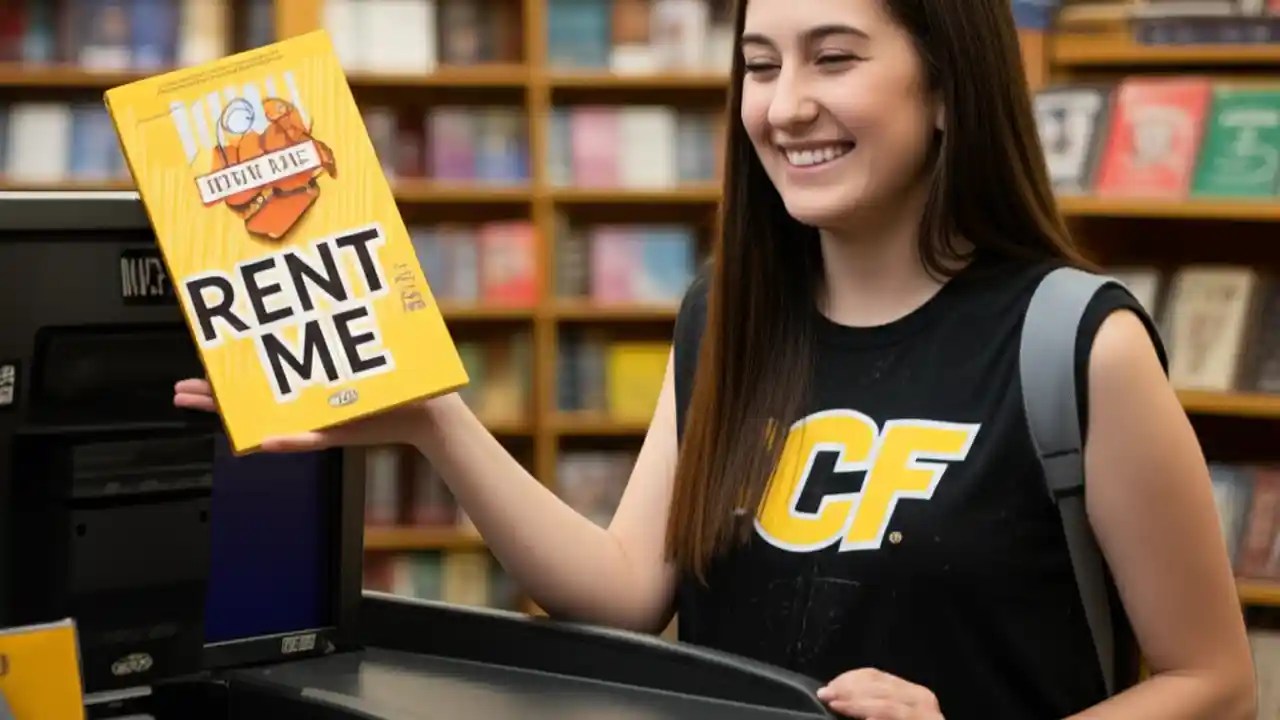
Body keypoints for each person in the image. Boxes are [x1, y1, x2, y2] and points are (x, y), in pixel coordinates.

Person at [175, 0, 1258, 717]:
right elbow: (619, 595)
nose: (785, 105)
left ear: (943, 87)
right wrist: (435, 421)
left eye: (834, 58)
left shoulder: (1076, 344)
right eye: (758, 64)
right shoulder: (725, 316)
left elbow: (1215, 683)